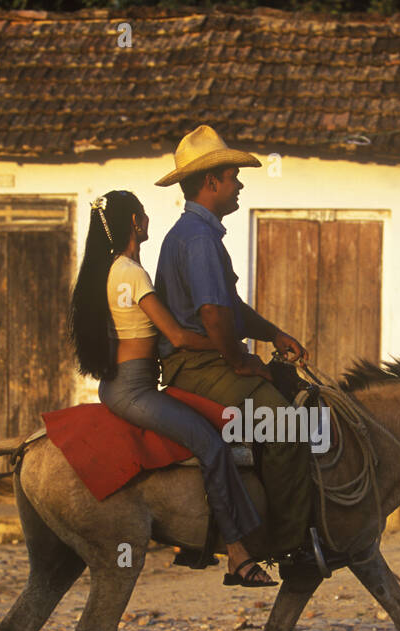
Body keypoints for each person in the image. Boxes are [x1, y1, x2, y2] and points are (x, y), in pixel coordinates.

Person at [68, 189, 276, 588]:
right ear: (134, 222)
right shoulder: (131, 273)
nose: (148, 220)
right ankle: (237, 554)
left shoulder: (114, 269)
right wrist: (231, 348)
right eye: (143, 214)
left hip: (126, 385)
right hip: (135, 390)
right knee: (211, 445)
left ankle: (189, 538)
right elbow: (178, 337)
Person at [152, 125, 318, 570]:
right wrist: (241, 360)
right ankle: (290, 544)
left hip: (206, 361)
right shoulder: (200, 239)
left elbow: (231, 306)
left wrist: (271, 333)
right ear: (211, 183)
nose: (239, 184)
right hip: (201, 367)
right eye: (232, 176)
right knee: (286, 425)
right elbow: (214, 316)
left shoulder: (193, 234)